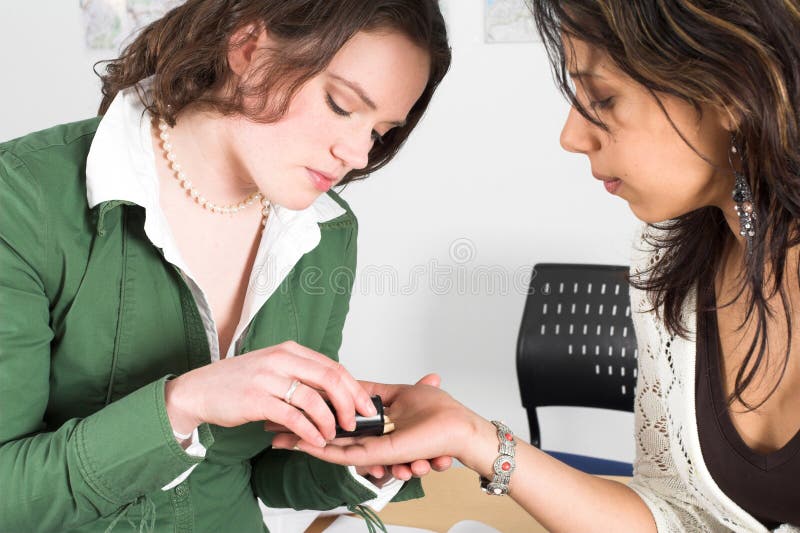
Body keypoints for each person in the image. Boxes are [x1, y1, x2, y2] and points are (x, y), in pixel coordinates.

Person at [271, 1, 800, 531]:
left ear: (732, 90)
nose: (571, 136)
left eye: (604, 98)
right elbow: (685, 517)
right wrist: (471, 435)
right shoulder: (670, 262)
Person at [0, 1, 451, 532]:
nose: (357, 153)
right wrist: (183, 404)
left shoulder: (326, 231)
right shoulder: (24, 200)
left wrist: (371, 454)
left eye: (379, 131)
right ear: (248, 49)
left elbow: (265, 468)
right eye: (341, 104)